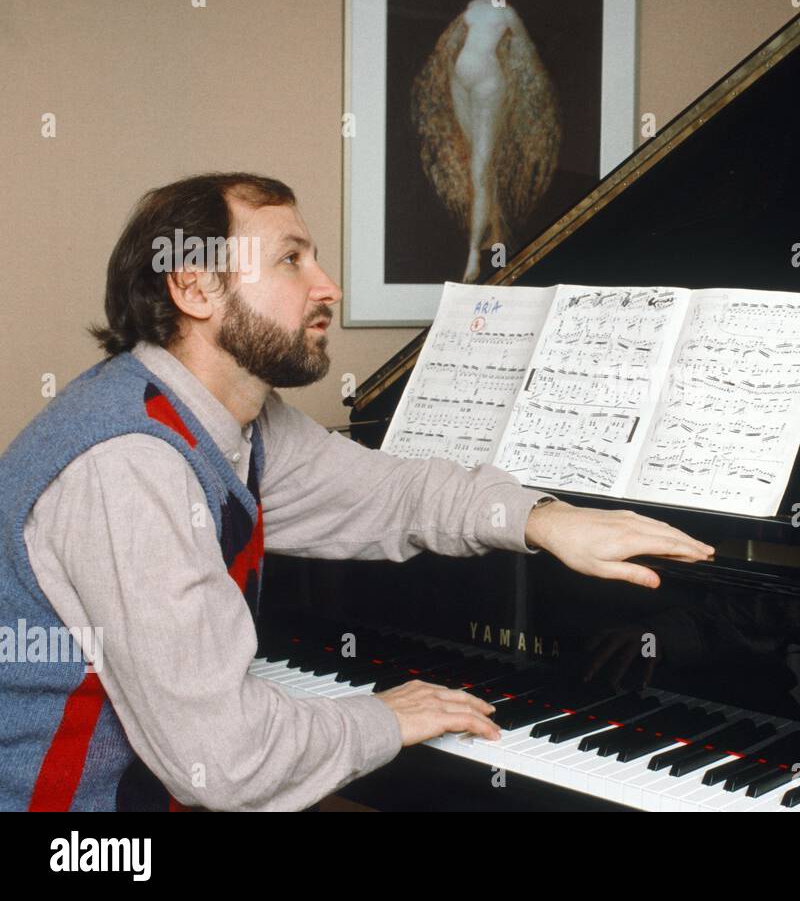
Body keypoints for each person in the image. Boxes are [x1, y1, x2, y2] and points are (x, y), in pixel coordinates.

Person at [0, 172, 713, 811]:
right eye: (290, 259)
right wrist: (387, 718)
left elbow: (391, 493)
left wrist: (544, 519)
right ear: (194, 288)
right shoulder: (129, 463)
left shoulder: (230, 419)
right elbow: (224, 760)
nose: (327, 286)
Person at [411, 0, 560, 283]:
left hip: (489, 87)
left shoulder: (506, 12)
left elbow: (524, 50)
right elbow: (453, 47)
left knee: (481, 169)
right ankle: (492, 234)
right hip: (461, 87)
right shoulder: (471, 9)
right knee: (475, 167)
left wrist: (519, 86)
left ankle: (472, 257)